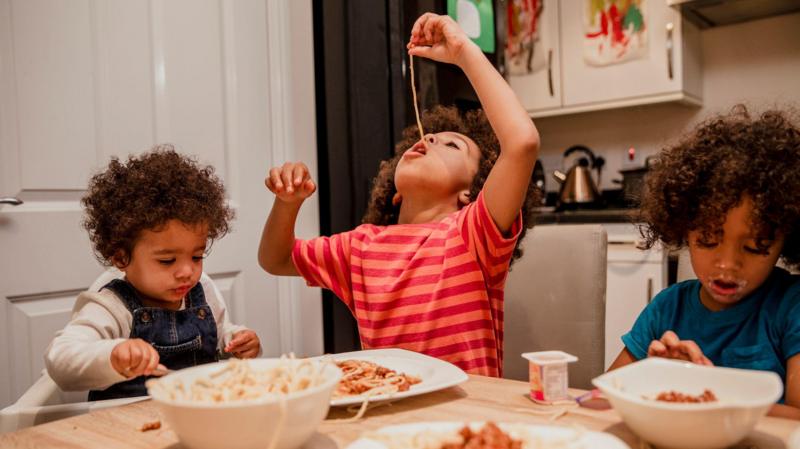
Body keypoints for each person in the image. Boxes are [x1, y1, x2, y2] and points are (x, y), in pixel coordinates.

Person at [258, 13, 540, 377]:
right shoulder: (359, 249)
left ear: (472, 192)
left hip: (466, 415)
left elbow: (522, 142)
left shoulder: (473, 236)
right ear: (394, 194)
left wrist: (462, 51)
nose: (431, 138)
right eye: (429, 137)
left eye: (452, 145)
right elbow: (274, 259)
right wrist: (287, 204)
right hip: (388, 414)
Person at [608, 106, 800, 419]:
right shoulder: (667, 309)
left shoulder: (790, 308)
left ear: (786, 239)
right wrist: (658, 380)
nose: (727, 264)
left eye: (754, 247)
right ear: (683, 228)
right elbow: (601, 399)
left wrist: (708, 391)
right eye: (709, 240)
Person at [45, 146, 261, 400]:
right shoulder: (110, 307)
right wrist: (113, 356)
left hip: (199, 415)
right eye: (167, 260)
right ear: (121, 257)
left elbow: (221, 335)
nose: (187, 272)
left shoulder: (203, 291)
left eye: (196, 256)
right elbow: (61, 359)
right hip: (128, 427)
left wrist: (236, 341)